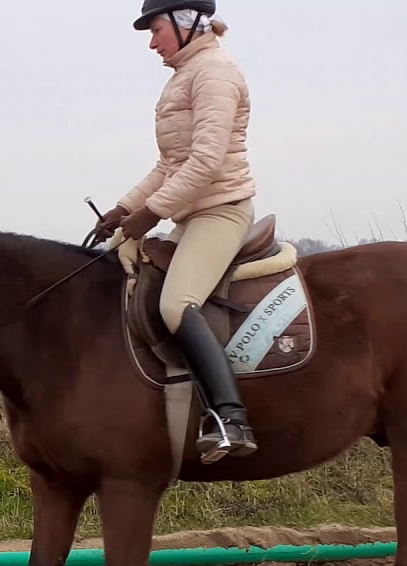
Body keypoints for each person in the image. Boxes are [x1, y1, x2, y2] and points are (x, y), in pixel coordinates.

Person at [94, 0, 258, 463]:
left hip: (220, 211)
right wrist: (124, 208)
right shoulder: (184, 77)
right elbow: (169, 165)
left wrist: (151, 214)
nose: (152, 43)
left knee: (175, 304)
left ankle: (231, 418)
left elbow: (206, 162)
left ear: (188, 25)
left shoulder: (215, 75)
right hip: (190, 213)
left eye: (156, 30)